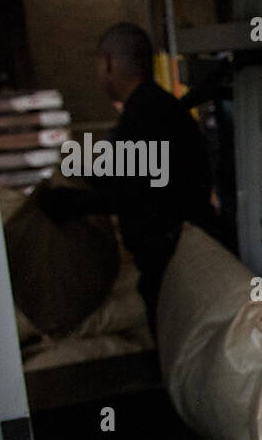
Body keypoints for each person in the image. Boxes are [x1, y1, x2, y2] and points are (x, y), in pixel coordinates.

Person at [34, 22, 218, 334]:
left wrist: (71, 202)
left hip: (172, 259)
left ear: (108, 63)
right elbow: (129, 177)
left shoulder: (143, 116)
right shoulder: (158, 108)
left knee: (178, 337)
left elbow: (132, 192)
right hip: (182, 253)